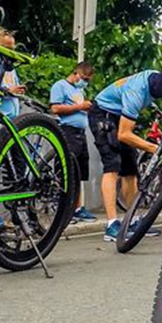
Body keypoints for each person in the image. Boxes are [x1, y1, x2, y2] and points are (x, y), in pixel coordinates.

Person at [91, 65, 162, 241]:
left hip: (120, 117)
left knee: (130, 170)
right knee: (112, 165)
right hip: (103, 114)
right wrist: (157, 149)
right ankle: (111, 225)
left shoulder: (159, 79)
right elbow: (124, 134)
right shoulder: (136, 93)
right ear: (159, 86)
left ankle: (132, 220)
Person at [50, 61, 98, 223]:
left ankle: (76, 208)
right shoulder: (60, 86)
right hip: (67, 132)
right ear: (76, 73)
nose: (85, 81)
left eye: (88, 79)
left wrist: (85, 108)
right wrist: (79, 107)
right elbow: (55, 109)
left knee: (78, 174)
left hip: (81, 133)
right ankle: (63, 210)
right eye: (84, 78)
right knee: (66, 172)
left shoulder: (79, 90)